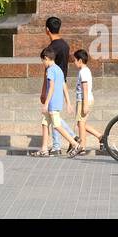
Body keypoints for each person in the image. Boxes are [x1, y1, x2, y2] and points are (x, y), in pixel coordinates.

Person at [32, 46, 80, 157]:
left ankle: (75, 144)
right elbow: (64, 86)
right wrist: (68, 102)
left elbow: (51, 87)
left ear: (46, 58)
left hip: (52, 103)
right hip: (57, 102)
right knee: (44, 124)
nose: (43, 63)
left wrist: (46, 103)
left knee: (57, 126)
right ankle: (44, 149)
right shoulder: (59, 69)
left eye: (42, 61)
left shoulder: (50, 70)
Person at [41, 16, 72, 153]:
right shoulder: (65, 45)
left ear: (47, 30)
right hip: (62, 81)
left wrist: (44, 91)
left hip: (53, 84)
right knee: (53, 116)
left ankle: (65, 141)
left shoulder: (51, 48)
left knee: (54, 116)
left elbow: (47, 70)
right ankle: (59, 144)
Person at [72, 50, 105, 153]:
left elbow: (85, 88)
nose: (74, 62)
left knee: (81, 123)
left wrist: (85, 104)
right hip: (83, 100)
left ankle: (82, 146)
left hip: (84, 100)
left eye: (75, 60)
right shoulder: (85, 71)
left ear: (80, 60)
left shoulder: (83, 72)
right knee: (81, 123)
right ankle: (100, 136)